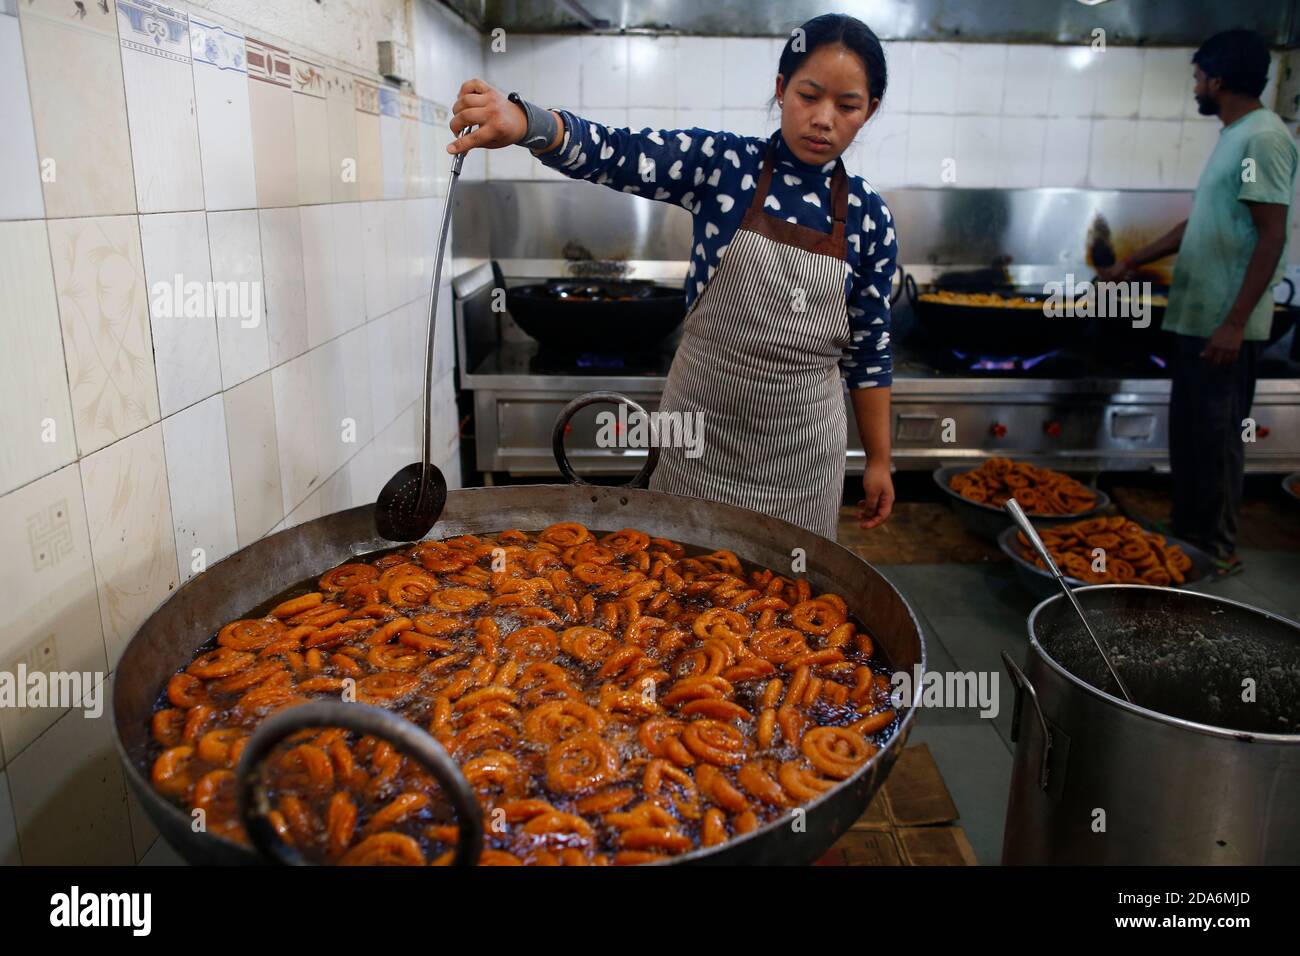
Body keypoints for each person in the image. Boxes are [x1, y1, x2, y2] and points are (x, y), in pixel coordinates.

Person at [446, 13, 898, 541]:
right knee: (677, 586)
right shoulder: (725, 166)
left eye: (846, 106)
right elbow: (619, 153)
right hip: (697, 440)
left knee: (785, 597)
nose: (823, 119)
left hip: (802, 463)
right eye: (808, 95)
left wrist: (879, 460)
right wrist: (528, 123)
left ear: (869, 111)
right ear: (781, 90)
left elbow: (870, 350)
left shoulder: (869, 216)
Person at [1099, 29, 1295, 570]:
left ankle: (1216, 547)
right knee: (1191, 435)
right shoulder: (1236, 135)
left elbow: (1272, 233)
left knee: (1216, 437)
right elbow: (1200, 223)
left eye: (1197, 78)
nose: (1195, 88)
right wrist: (1132, 262)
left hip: (1222, 326)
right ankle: (1189, 535)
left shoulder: (1264, 139)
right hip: (1198, 318)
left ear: (1219, 78)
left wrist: (1233, 324)